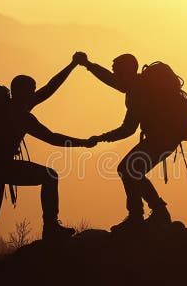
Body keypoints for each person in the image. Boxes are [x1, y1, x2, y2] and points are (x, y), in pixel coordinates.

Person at [0, 55, 96, 266]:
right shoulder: (20, 115)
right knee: (50, 176)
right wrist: (83, 143)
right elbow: (52, 137)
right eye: (31, 90)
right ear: (24, 92)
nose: (34, 93)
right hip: (4, 167)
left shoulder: (9, 107)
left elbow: (48, 89)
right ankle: (51, 228)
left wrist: (72, 66)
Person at [74, 52, 178, 231]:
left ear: (126, 72)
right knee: (133, 170)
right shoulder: (140, 87)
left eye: (117, 72)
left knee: (128, 169)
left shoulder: (138, 90)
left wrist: (101, 137)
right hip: (166, 139)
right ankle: (156, 212)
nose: (114, 76)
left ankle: (140, 216)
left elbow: (128, 129)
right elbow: (115, 84)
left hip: (162, 140)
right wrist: (89, 65)